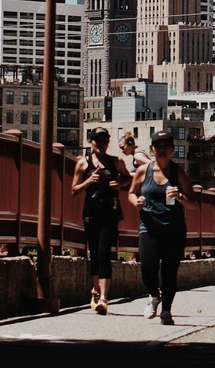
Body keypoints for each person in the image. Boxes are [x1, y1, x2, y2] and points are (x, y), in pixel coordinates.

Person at [131, 130, 194, 326]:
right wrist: (136, 202)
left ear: (172, 150)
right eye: (157, 146)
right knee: (147, 267)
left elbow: (193, 203)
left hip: (174, 230)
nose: (161, 150)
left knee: (169, 272)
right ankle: (153, 295)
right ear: (152, 149)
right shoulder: (143, 171)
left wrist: (180, 197)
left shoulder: (179, 173)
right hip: (149, 227)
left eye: (165, 146)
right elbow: (132, 192)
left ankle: (166, 310)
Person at [71, 127, 132, 315]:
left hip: (110, 214)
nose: (103, 144)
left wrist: (120, 184)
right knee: (95, 253)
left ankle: (104, 298)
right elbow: (74, 190)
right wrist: (89, 181)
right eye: (99, 141)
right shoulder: (83, 163)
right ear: (91, 142)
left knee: (104, 252)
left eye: (105, 140)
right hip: (91, 214)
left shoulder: (116, 162)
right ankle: (96, 290)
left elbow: (128, 178)